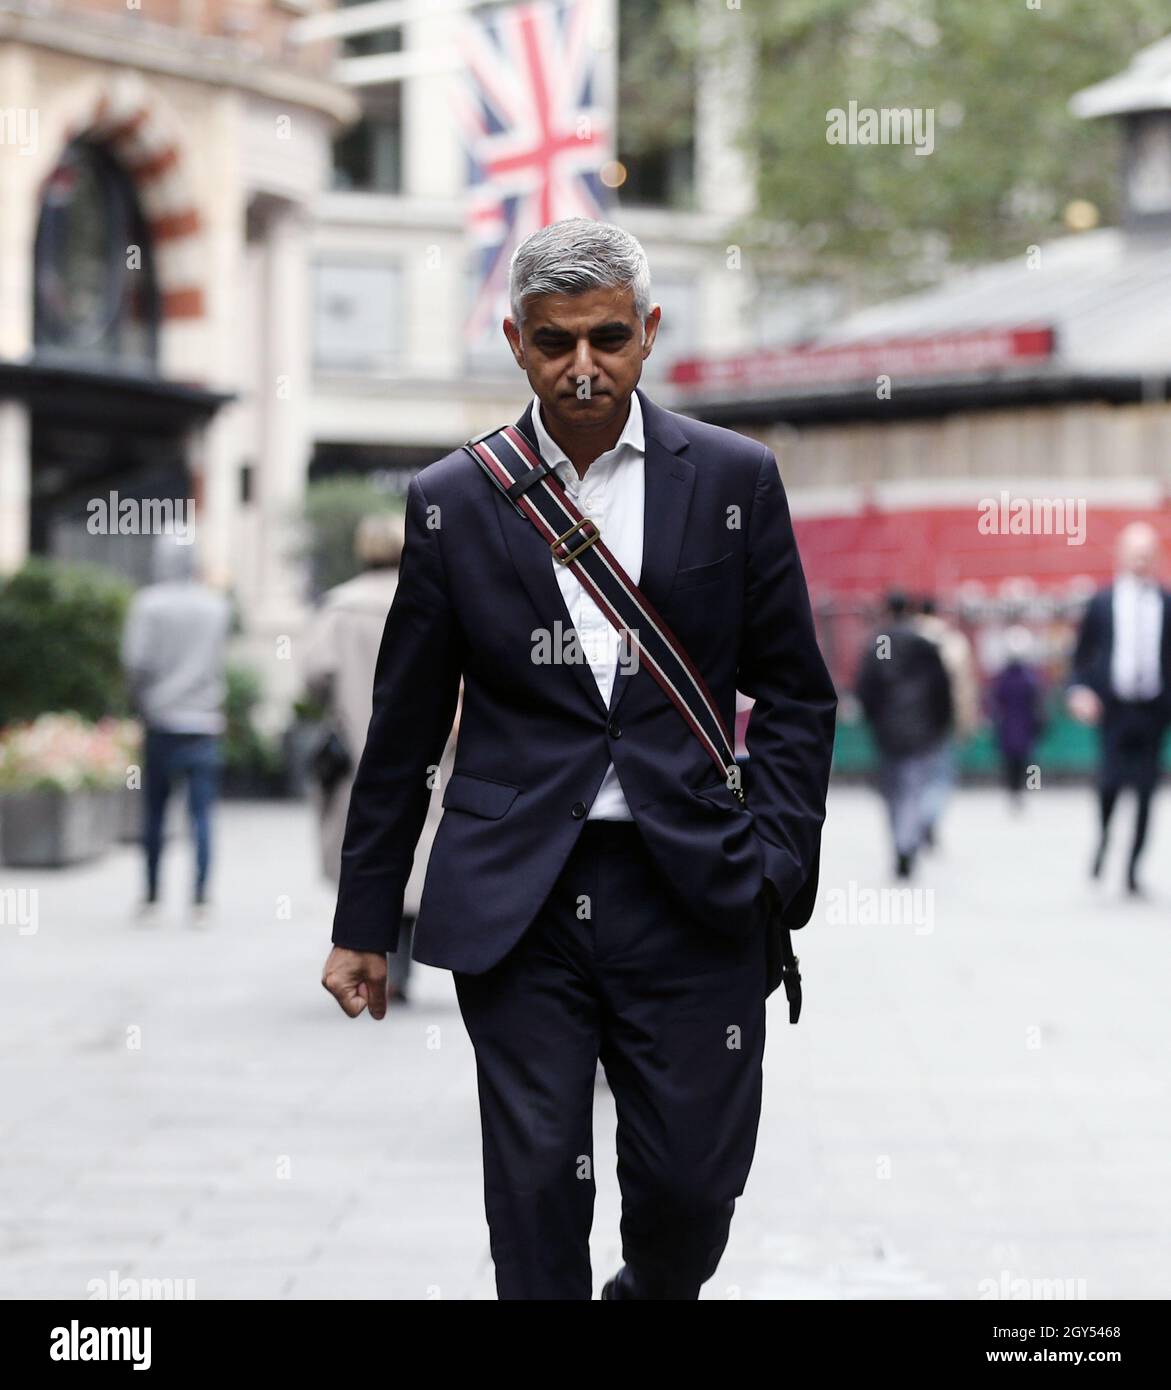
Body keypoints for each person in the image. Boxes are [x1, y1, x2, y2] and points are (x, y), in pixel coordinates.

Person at [319, 217, 837, 1300]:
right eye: (556, 343)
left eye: (608, 336)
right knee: (537, 1189)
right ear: (514, 341)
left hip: (695, 886)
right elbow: (403, 730)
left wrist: (777, 861)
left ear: (650, 331)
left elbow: (794, 689)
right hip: (521, 898)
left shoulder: (735, 477)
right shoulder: (451, 502)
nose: (583, 367)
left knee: (689, 1192)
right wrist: (365, 922)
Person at [301, 514, 459, 1004]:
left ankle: (374, 950)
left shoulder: (340, 607)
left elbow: (313, 675)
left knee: (370, 839)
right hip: (438, 748)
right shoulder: (435, 595)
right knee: (421, 847)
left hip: (361, 750)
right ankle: (400, 963)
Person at [120, 532, 231, 925]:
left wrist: (139, 702)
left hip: (161, 721)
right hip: (204, 721)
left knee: (154, 812)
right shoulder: (216, 606)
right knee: (202, 814)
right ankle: (200, 897)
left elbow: (136, 663)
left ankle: (151, 894)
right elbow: (218, 659)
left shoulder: (147, 605)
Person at [1068, 522, 1171, 895]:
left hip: (1154, 711)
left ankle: (1132, 870)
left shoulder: (1166, 603)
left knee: (1146, 792)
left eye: (1148, 552)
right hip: (1114, 710)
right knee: (1109, 783)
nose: (1141, 559)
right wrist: (1079, 691)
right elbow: (1080, 657)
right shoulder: (1102, 603)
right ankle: (1104, 837)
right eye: (1134, 551)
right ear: (1121, 555)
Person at [855, 590, 953, 878]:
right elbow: (941, 689)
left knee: (894, 792)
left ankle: (901, 841)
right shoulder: (925, 644)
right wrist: (941, 722)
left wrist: (874, 718)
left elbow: (866, 689)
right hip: (922, 728)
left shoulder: (878, 644)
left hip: (888, 730)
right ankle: (907, 840)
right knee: (914, 786)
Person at [912, 596, 979, 849]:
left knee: (913, 775)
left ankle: (913, 820)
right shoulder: (954, 643)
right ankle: (928, 817)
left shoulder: (895, 640)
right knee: (940, 776)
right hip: (942, 720)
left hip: (905, 723)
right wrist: (966, 723)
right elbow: (964, 689)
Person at [989, 626, 1045, 807]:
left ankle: (1017, 790)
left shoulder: (1005, 678)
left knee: (1014, 761)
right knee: (1025, 760)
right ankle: (1027, 788)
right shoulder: (1029, 678)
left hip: (1012, 724)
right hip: (1021, 724)